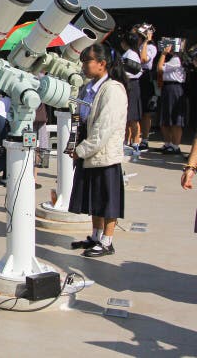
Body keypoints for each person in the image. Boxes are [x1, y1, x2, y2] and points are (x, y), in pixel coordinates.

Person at [68, 43, 128, 257]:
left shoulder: (113, 89)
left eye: (87, 61)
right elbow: (79, 115)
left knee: (107, 198)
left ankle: (107, 241)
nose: (83, 66)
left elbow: (104, 128)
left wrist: (82, 149)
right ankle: (95, 235)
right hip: (87, 148)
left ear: (102, 64)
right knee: (93, 197)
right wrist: (73, 143)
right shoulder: (88, 87)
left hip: (104, 154)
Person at [157, 41, 187, 155]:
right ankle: (168, 143)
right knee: (166, 117)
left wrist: (163, 54)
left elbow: (159, 68)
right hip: (169, 88)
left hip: (174, 88)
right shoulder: (175, 59)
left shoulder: (176, 59)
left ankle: (174, 145)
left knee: (174, 119)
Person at [120, 32, 143, 161]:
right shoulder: (128, 53)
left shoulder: (132, 54)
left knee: (133, 117)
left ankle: (135, 142)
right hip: (127, 84)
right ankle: (126, 141)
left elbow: (137, 71)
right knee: (127, 116)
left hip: (132, 84)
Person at [136, 24, 158, 150]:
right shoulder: (135, 47)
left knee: (146, 112)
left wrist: (146, 41)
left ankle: (144, 139)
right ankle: (133, 138)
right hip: (135, 76)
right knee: (135, 111)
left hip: (145, 77)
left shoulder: (150, 47)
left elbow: (144, 59)